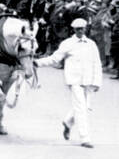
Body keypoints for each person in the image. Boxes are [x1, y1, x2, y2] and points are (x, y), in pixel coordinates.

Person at [35, 17, 102, 148]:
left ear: (86, 28)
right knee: (81, 108)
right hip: (74, 80)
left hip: (88, 80)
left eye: (82, 28)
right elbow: (55, 59)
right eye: (77, 29)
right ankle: (85, 138)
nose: (80, 31)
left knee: (84, 106)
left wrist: (97, 82)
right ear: (73, 29)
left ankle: (67, 122)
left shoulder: (91, 44)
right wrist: (38, 63)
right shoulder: (67, 43)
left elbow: (97, 63)